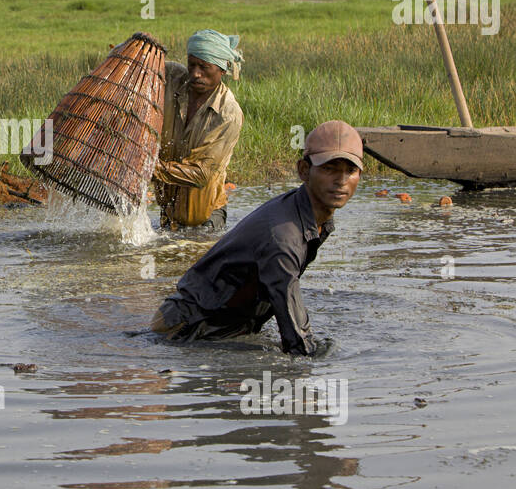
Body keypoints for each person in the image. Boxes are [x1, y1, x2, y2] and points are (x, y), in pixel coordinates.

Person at [150, 120, 364, 356]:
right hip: (184, 332)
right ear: (304, 170)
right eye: (329, 168)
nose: (341, 180)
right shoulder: (283, 237)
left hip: (221, 326)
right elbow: (297, 342)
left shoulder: (311, 217)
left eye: (350, 170)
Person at [152, 30, 244, 231]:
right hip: (169, 209)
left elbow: (201, 174)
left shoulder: (227, 113)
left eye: (204, 67)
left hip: (205, 217)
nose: (195, 73)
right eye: (192, 64)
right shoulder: (173, 78)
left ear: (222, 70)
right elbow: (141, 71)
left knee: (198, 256)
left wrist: (150, 168)